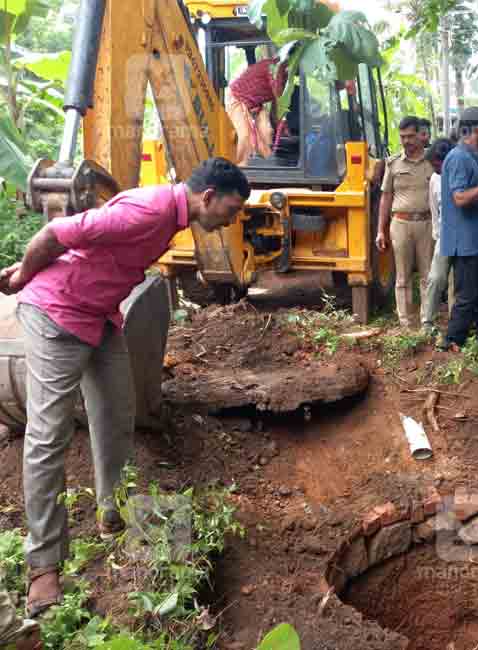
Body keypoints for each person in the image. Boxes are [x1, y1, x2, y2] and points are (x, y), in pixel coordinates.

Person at [1, 158, 249, 616]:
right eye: (231, 210)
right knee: (47, 435)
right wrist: (20, 277)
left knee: (118, 413)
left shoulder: (172, 216)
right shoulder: (151, 210)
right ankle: (44, 568)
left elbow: (90, 243)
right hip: (57, 313)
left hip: (100, 317)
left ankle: (113, 515)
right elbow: (56, 234)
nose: (231, 220)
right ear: (208, 197)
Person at [439, 106, 478, 351]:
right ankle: (452, 340)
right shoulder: (459, 157)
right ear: (476, 128)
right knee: (467, 296)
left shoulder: (472, 156)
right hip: (466, 241)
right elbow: (459, 198)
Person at [376, 117, 435, 329]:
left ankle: (427, 322)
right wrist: (380, 230)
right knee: (402, 276)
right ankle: (405, 324)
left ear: (420, 135)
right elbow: (386, 197)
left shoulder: (432, 161)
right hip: (400, 224)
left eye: (410, 136)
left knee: (428, 275)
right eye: (403, 137)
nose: (406, 141)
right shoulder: (393, 163)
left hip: (427, 224)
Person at [226, 55, 289, 164]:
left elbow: (277, 103)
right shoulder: (273, 68)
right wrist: (283, 124)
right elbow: (279, 97)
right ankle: (242, 168)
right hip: (237, 98)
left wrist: (279, 123)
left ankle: (268, 163)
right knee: (245, 136)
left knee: (267, 131)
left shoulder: (285, 73)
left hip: (256, 102)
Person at [422, 139, 455, 334]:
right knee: (436, 277)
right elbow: (434, 209)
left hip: (464, 235)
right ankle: (427, 322)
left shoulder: (461, 171)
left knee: (456, 282)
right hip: (444, 234)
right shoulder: (435, 179)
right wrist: (437, 235)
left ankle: (455, 321)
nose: (435, 169)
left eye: (436, 164)